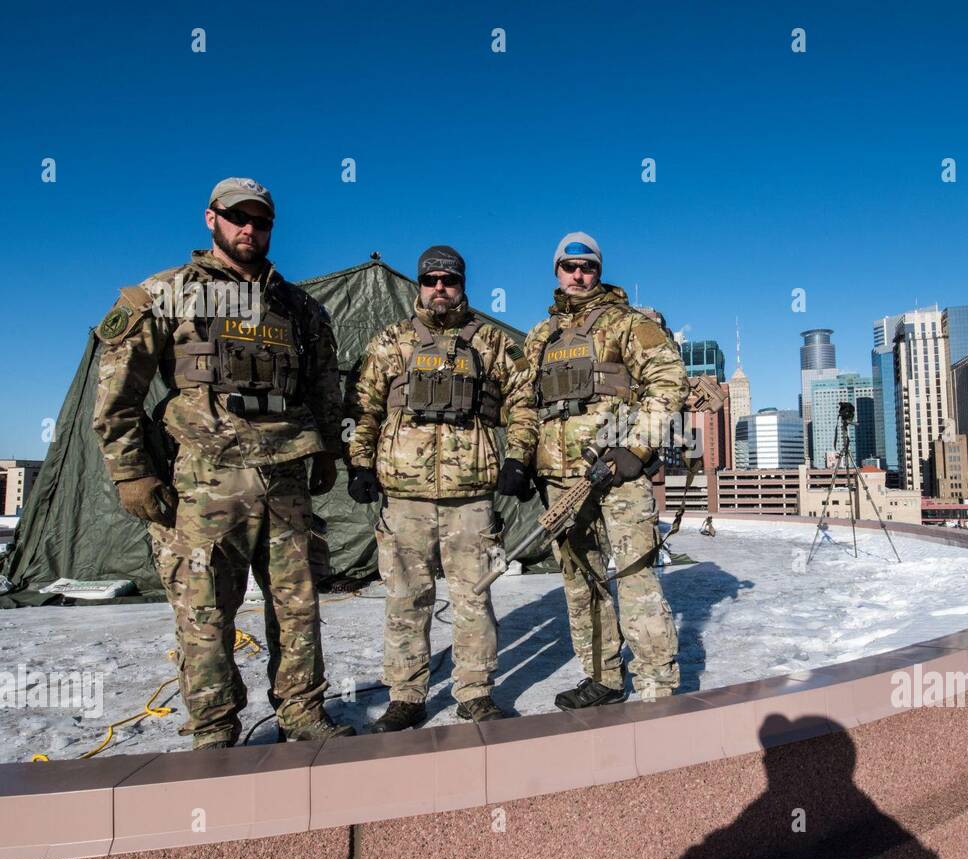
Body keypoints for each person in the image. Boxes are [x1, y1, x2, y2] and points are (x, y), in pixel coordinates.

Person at [92, 177, 352, 749]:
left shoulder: (296, 306)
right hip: (205, 482)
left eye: (260, 221)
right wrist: (132, 472)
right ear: (211, 219)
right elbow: (117, 396)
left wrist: (329, 447)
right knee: (205, 613)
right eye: (238, 218)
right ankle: (213, 727)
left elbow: (325, 383)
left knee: (297, 607)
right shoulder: (165, 294)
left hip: (285, 478)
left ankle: (303, 713)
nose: (249, 229)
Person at [345, 245, 535, 728]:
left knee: (474, 596)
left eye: (448, 280)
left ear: (462, 284)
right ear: (419, 285)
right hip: (404, 495)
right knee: (407, 598)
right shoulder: (392, 341)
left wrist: (517, 457)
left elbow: (522, 402)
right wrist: (359, 463)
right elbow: (364, 408)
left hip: (470, 495)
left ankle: (474, 692)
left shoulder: (489, 342)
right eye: (430, 280)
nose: (439, 289)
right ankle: (406, 696)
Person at [513, 232, 688, 708]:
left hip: (619, 477)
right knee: (580, 583)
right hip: (560, 482)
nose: (578, 275)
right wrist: (521, 457)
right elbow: (524, 405)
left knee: (635, 577)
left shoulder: (627, 324)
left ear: (598, 270)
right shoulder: (539, 336)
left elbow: (669, 380)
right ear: (556, 271)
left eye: (587, 266)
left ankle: (657, 684)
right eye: (569, 268)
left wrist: (635, 446)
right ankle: (603, 678)